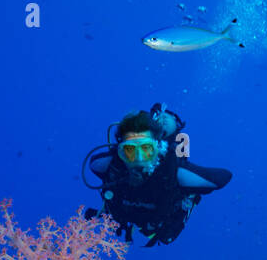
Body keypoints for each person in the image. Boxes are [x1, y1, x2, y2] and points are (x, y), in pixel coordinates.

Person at [83, 104, 232, 247]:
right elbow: (93, 163)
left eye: (147, 149)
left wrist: (185, 178)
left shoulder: (175, 172)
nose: (139, 159)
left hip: (159, 223)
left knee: (166, 236)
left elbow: (222, 177)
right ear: (119, 152)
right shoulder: (107, 165)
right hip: (125, 214)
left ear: (158, 148)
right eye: (129, 150)